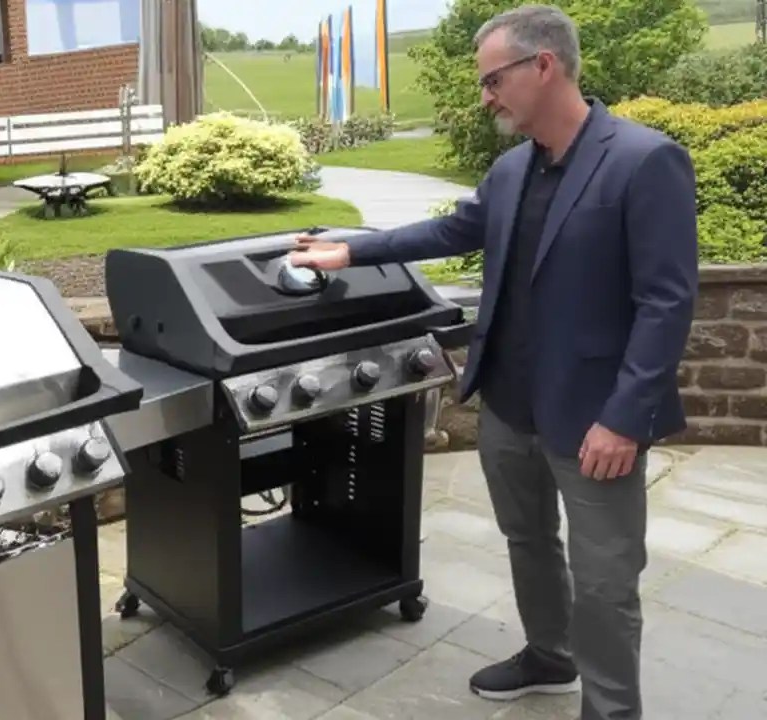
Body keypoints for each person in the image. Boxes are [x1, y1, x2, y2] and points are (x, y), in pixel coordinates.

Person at [289, 5, 697, 720]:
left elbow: (666, 304)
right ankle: (549, 654)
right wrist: (349, 250)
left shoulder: (643, 159)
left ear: (543, 65)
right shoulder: (512, 168)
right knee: (528, 538)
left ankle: (611, 710)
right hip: (509, 404)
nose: (486, 96)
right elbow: (451, 229)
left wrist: (625, 419)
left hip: (596, 418)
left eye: (493, 79)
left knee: (605, 579)